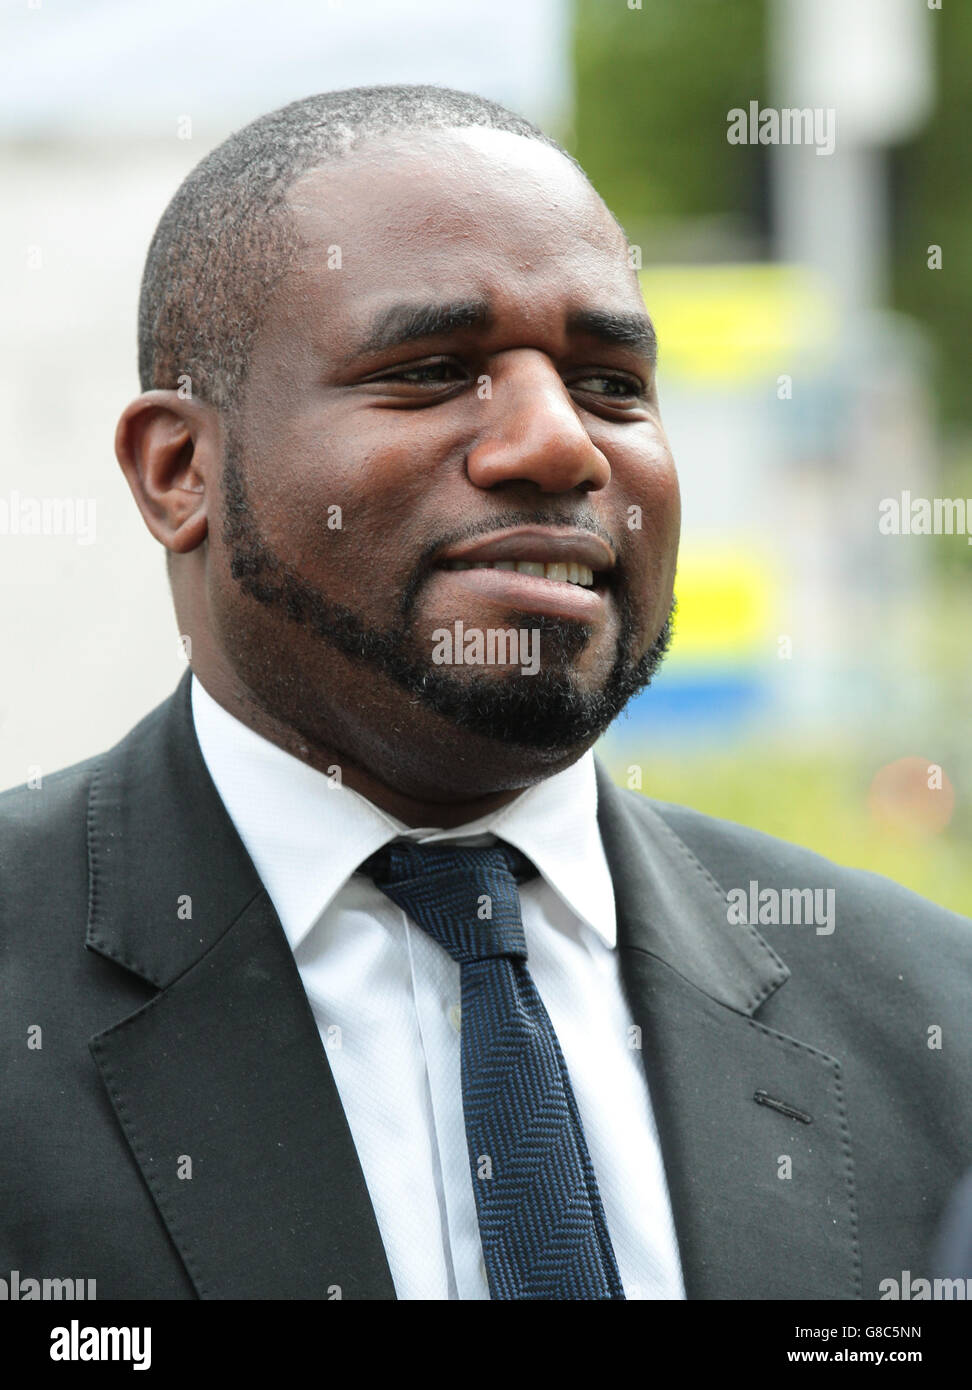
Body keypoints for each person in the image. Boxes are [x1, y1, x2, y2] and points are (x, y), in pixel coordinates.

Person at [1, 85, 969, 1302]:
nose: (560, 444)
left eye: (614, 383)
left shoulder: (934, 1024)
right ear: (179, 471)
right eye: (434, 369)